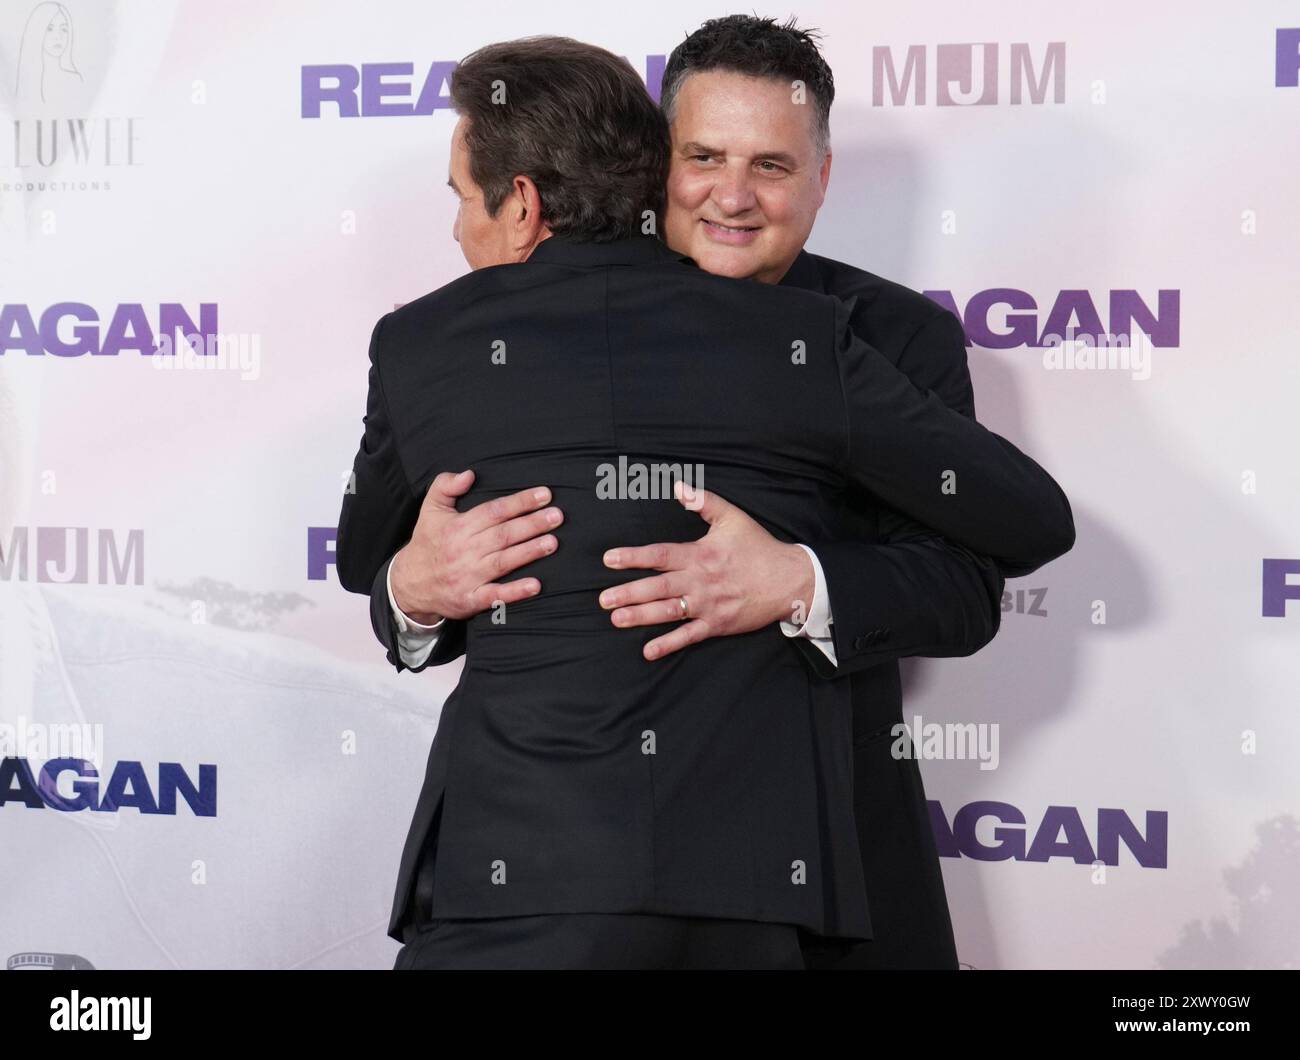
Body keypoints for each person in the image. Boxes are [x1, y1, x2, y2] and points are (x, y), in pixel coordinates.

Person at [336, 35, 1073, 970]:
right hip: (551, 864)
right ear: (655, 164)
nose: (733, 195)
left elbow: (970, 585)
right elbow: (384, 554)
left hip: (824, 854)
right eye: (704, 159)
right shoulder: (514, 336)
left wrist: (798, 583)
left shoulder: (888, 336)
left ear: (821, 176)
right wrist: (414, 581)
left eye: (771, 165)